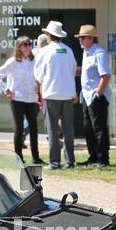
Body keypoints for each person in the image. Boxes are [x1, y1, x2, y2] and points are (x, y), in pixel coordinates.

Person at [34, 21, 78, 169]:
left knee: (52, 129)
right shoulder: (68, 50)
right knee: (68, 129)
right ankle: (70, 161)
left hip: (51, 94)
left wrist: (38, 92)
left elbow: (38, 75)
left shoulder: (45, 51)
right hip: (67, 94)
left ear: (48, 35)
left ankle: (54, 162)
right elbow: (73, 71)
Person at [0, 37, 41, 163]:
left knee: (34, 128)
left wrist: (39, 93)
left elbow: (38, 77)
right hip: (17, 98)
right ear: (18, 47)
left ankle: (36, 157)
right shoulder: (12, 62)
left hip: (31, 98)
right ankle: (18, 158)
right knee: (19, 129)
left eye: (29, 44)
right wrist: (6, 89)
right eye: (24, 45)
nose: (27, 47)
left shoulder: (33, 61)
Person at [76, 24, 111, 168]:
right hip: (86, 96)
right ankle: (93, 157)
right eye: (80, 37)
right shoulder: (86, 52)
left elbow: (105, 75)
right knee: (88, 129)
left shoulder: (99, 53)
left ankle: (103, 159)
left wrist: (98, 93)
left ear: (91, 39)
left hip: (96, 96)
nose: (80, 40)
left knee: (99, 129)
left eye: (83, 38)